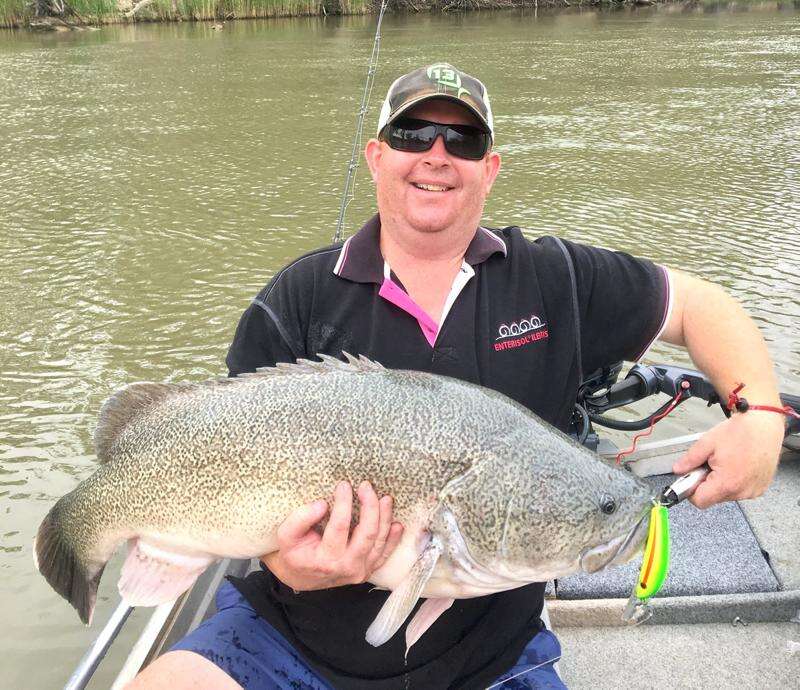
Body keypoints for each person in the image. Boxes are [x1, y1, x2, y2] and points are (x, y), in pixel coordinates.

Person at [128, 63, 786, 690]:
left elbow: (702, 306)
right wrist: (289, 566)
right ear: (376, 156)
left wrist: (757, 416)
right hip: (286, 639)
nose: (437, 154)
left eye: (463, 139)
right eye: (412, 134)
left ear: (489, 169)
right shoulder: (296, 298)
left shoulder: (556, 279)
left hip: (494, 659)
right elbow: (224, 460)